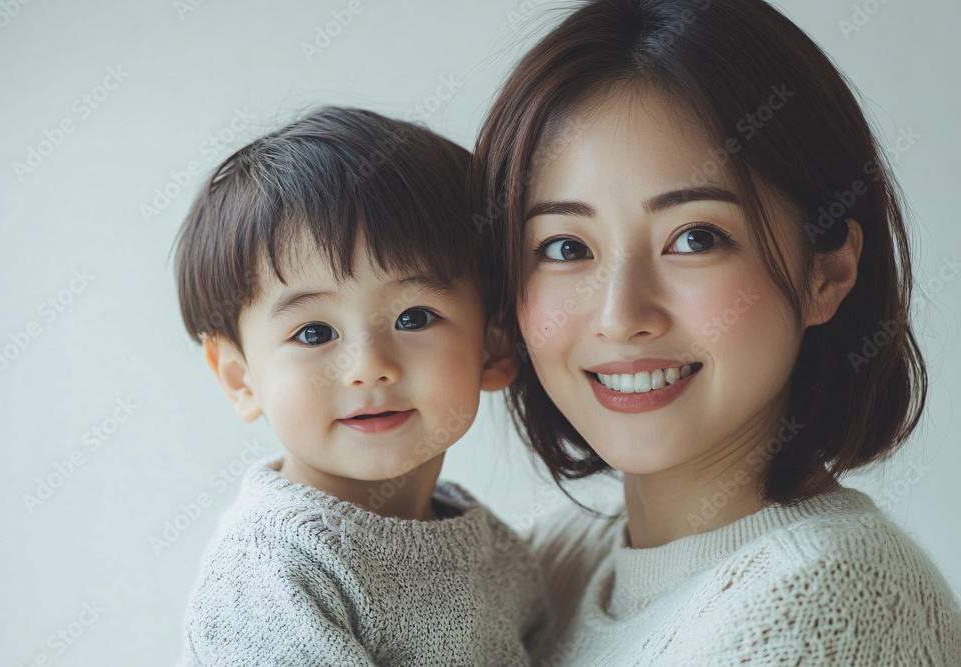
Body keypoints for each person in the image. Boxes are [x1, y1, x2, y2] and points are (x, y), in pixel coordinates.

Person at [473, 0, 961, 664]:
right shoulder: (545, 569)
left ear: (830, 269)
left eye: (695, 238)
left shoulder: (828, 603)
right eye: (564, 247)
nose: (621, 314)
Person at [173, 106, 546, 665]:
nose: (367, 367)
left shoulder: (495, 548)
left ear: (493, 347)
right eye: (314, 331)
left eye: (414, 318)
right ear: (240, 377)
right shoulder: (272, 570)